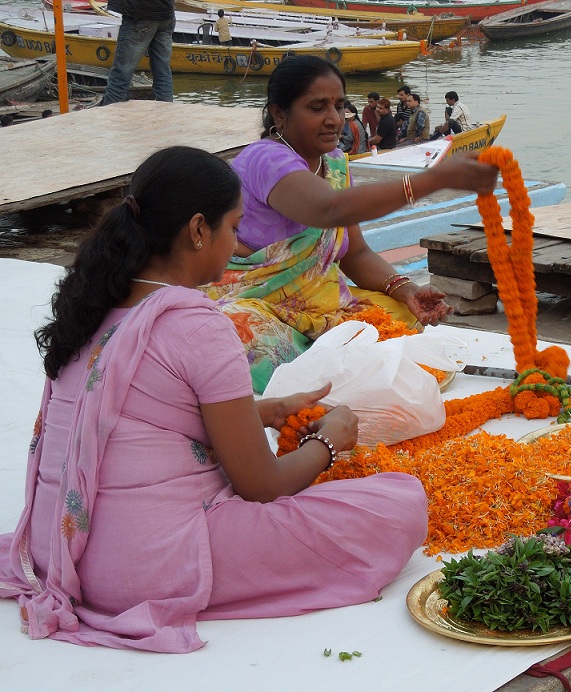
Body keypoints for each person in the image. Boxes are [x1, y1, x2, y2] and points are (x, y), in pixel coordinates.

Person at [0, 146, 427, 652]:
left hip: (58, 548)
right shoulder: (197, 323)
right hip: (141, 570)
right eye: (234, 226)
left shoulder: (93, 301)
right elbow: (262, 486)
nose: (240, 243)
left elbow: (151, 413)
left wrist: (261, 412)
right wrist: (328, 444)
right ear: (199, 230)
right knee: (400, 502)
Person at [203, 56, 498, 392]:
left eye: (339, 106)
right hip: (254, 303)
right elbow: (329, 210)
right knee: (246, 336)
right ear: (280, 114)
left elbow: (354, 253)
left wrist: (407, 290)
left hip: (320, 305)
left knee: (401, 320)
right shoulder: (263, 159)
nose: (334, 119)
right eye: (317, 107)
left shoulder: (336, 164)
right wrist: (432, 180)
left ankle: (335, 364)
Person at [102, 0, 175, 104]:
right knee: (162, 72)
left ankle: (110, 117)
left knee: (120, 76)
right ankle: (168, 113)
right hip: (166, 14)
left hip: (140, 15)